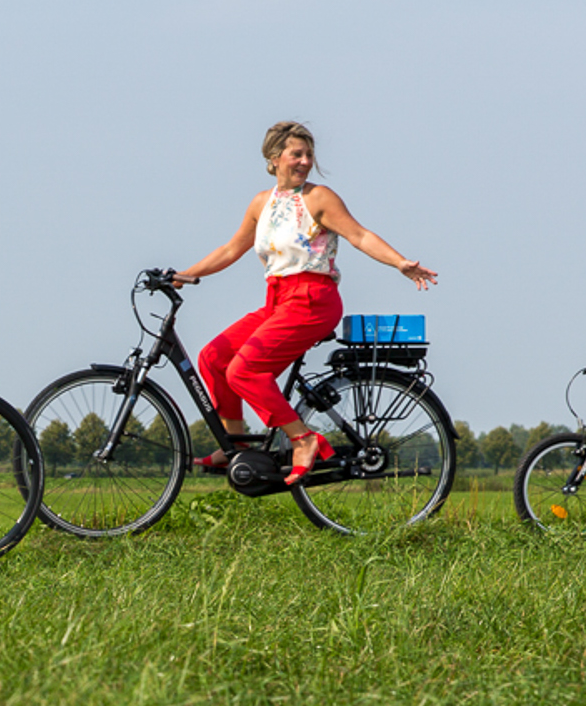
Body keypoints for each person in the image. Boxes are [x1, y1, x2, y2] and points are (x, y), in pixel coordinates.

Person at [172, 121, 436, 482]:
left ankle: (303, 439)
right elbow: (232, 248)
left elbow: (359, 235)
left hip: (313, 299)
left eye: (309, 154)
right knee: (214, 358)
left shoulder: (318, 198)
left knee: (244, 371)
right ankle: (236, 444)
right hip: (277, 300)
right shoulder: (261, 203)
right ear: (274, 158)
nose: (305, 161)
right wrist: (186, 274)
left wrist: (400, 262)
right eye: (297, 153)